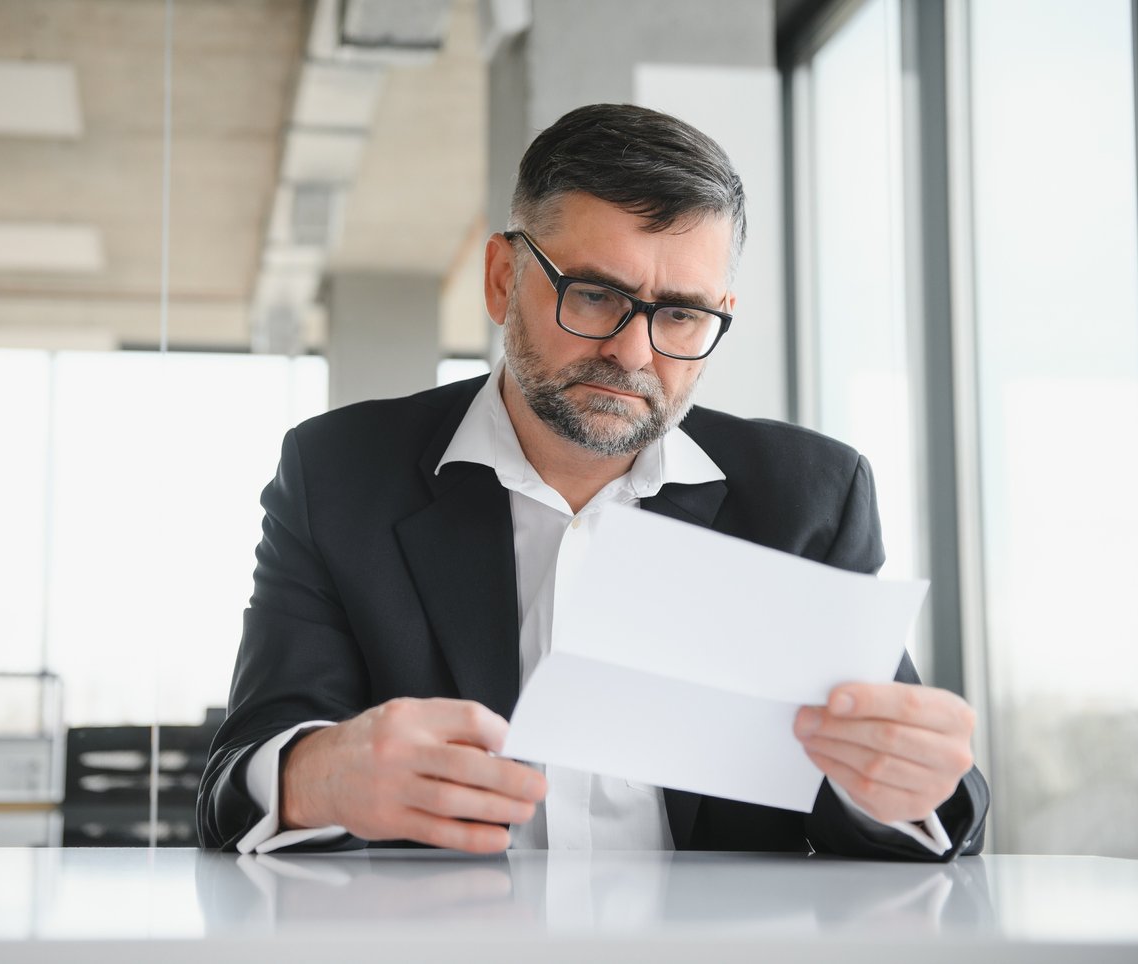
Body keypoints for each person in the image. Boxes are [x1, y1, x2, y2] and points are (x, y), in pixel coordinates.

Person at [197, 103, 989, 860]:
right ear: (504, 278)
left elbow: (909, 802)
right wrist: (319, 778)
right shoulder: (339, 474)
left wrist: (901, 783)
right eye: (597, 295)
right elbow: (235, 785)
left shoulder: (810, 496)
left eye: (680, 315)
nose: (635, 355)